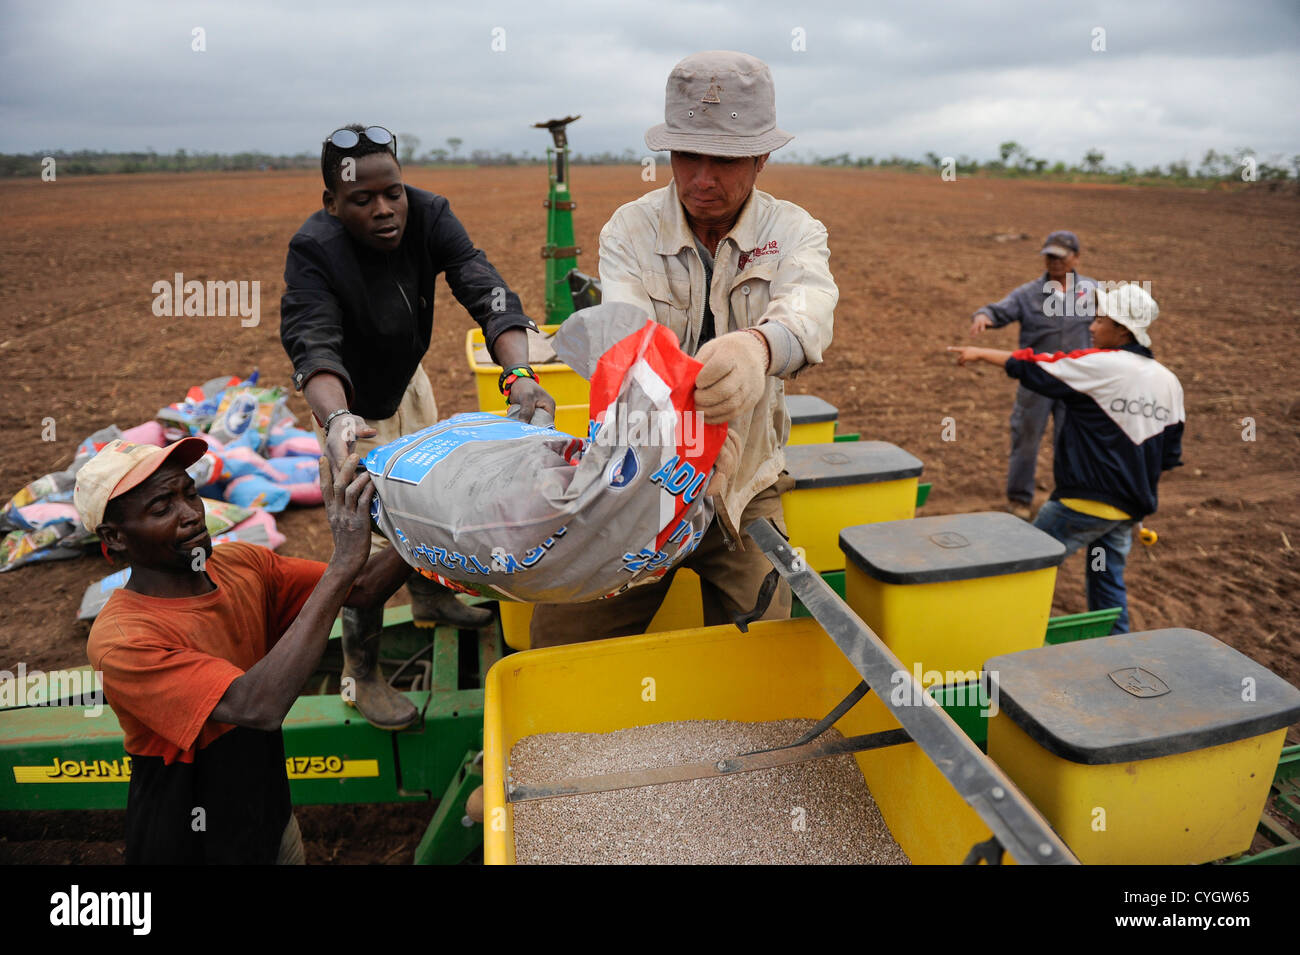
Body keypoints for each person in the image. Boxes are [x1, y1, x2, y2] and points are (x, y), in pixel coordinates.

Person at [528, 50, 838, 648]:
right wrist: (687, 438)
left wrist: (756, 350)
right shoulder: (630, 229)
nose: (702, 178)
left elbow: (810, 310)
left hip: (743, 485)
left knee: (763, 646)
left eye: (724, 160)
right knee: (563, 635)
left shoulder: (794, 232)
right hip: (638, 475)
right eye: (687, 155)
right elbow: (633, 346)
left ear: (761, 157)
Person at [280, 124, 556, 729]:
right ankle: (363, 671)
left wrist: (520, 374)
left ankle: (430, 596)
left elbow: (483, 287)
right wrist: (338, 421)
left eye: (392, 193)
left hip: (408, 381)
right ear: (332, 204)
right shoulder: (315, 250)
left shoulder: (431, 215)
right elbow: (314, 345)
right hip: (351, 408)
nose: (384, 210)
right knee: (371, 539)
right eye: (362, 200)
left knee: (428, 496)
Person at [77, 438, 413, 863]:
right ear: (115, 537)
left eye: (190, 493)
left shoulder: (241, 565)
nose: (191, 516)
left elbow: (361, 587)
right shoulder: (125, 639)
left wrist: (427, 524)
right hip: (194, 842)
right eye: (162, 508)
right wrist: (342, 563)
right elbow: (258, 705)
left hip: (269, 814)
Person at [948, 282, 1184, 633]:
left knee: (1021, 562)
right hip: (1128, 507)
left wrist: (982, 353)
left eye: (1100, 320)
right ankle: (1116, 649)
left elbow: (1038, 367)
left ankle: (989, 636)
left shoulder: (1101, 365)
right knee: (1106, 581)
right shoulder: (1169, 382)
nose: (1091, 327)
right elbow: (1168, 456)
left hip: (1083, 502)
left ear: (1122, 329)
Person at [969, 231, 1097, 519]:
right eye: (1049, 256)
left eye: (1061, 257)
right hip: (1036, 380)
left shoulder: (1092, 291)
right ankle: (1019, 501)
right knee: (1026, 438)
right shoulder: (1028, 294)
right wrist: (983, 317)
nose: (1054, 262)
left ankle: (1069, 497)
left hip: (1076, 382)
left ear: (1076, 258)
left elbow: (1115, 322)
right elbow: (997, 310)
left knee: (1073, 440)